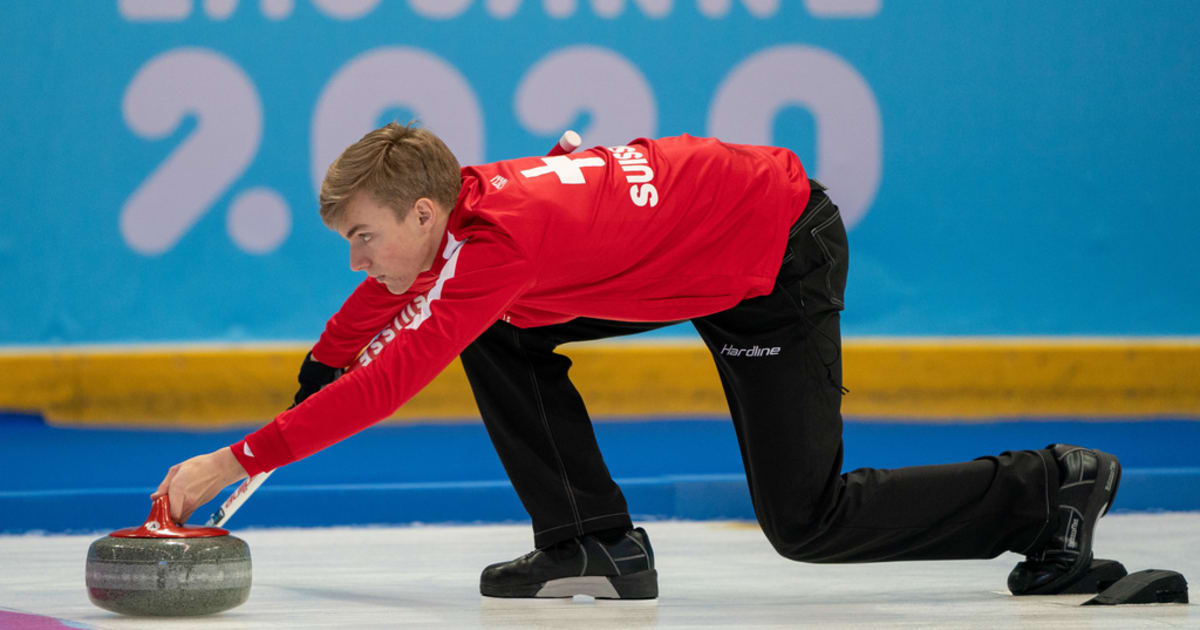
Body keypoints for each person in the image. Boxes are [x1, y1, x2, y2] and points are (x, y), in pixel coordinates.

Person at [154, 122, 1121, 599]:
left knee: (809, 522)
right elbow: (385, 299)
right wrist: (319, 373)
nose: (356, 258)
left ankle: (1044, 490)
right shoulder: (466, 206)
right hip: (711, 241)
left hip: (775, 253)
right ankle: (593, 544)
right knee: (499, 330)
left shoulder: (495, 250)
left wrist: (237, 458)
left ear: (421, 213)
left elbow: (392, 380)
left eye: (361, 235)